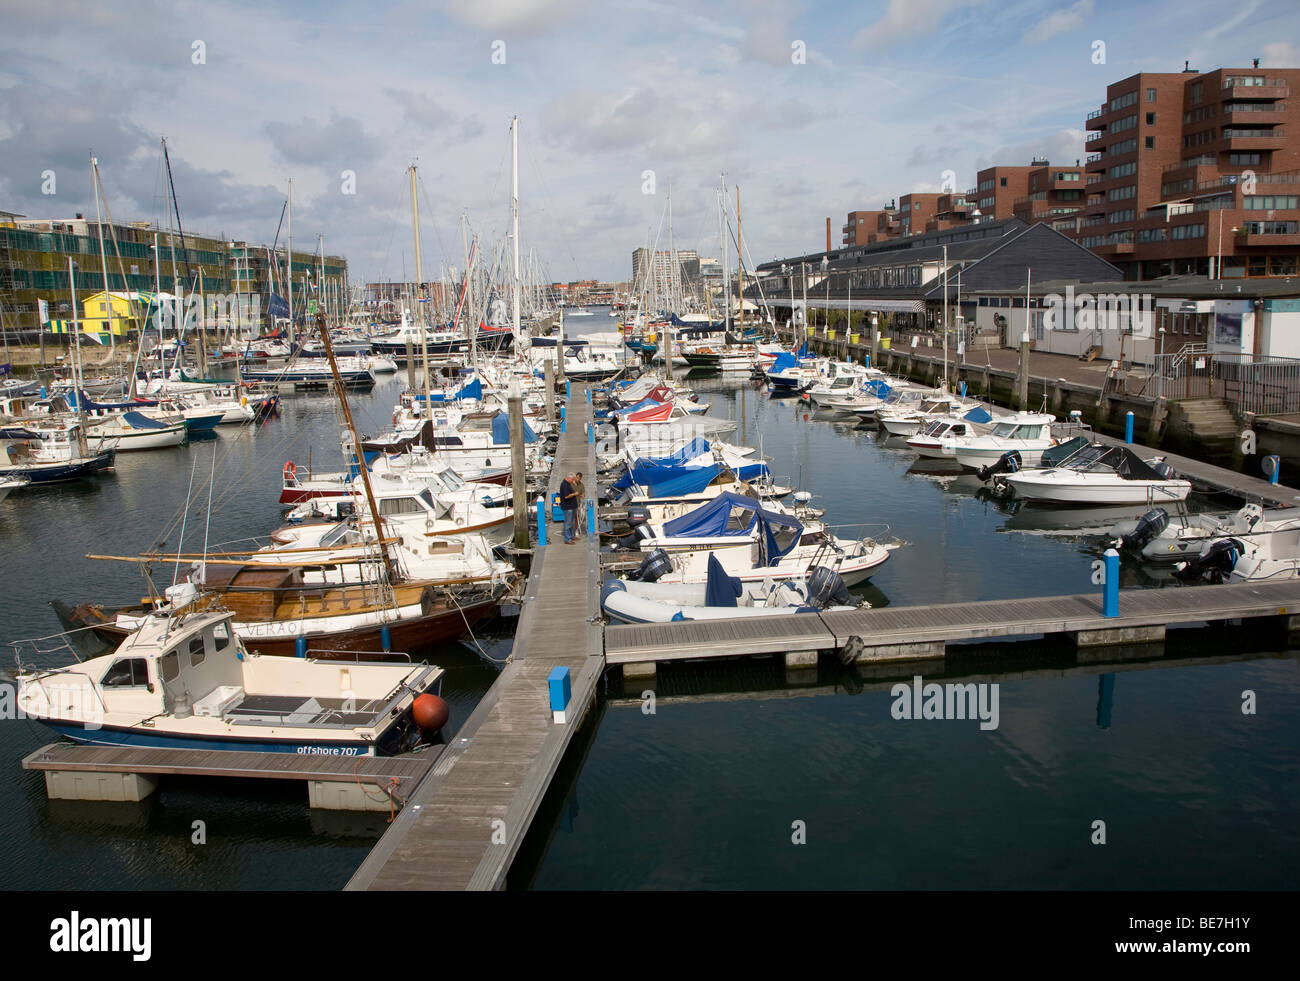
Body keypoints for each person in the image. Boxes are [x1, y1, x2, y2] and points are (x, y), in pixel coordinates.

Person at [559, 471, 579, 544]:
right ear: (569, 478)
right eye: (572, 479)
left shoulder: (568, 484)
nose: (573, 481)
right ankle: (567, 539)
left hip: (572, 506)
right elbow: (566, 496)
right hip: (567, 507)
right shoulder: (564, 485)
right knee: (568, 523)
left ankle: (572, 536)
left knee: (572, 522)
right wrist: (574, 494)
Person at [573, 471, 586, 538]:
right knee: (571, 519)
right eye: (576, 478)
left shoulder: (581, 485)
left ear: (580, 479)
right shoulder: (571, 484)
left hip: (578, 504)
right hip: (571, 504)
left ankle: (576, 530)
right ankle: (571, 532)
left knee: (577, 518)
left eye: (579, 478)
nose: (577, 479)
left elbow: (583, 493)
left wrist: (583, 495)